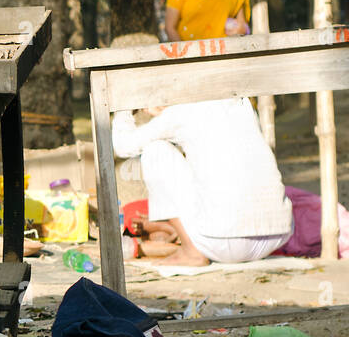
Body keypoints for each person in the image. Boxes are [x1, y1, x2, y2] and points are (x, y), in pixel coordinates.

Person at [112, 97, 293, 267]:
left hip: (224, 244)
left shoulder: (178, 113)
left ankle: (192, 252)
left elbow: (123, 145)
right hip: (278, 235)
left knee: (155, 151)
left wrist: (124, 108)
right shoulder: (240, 103)